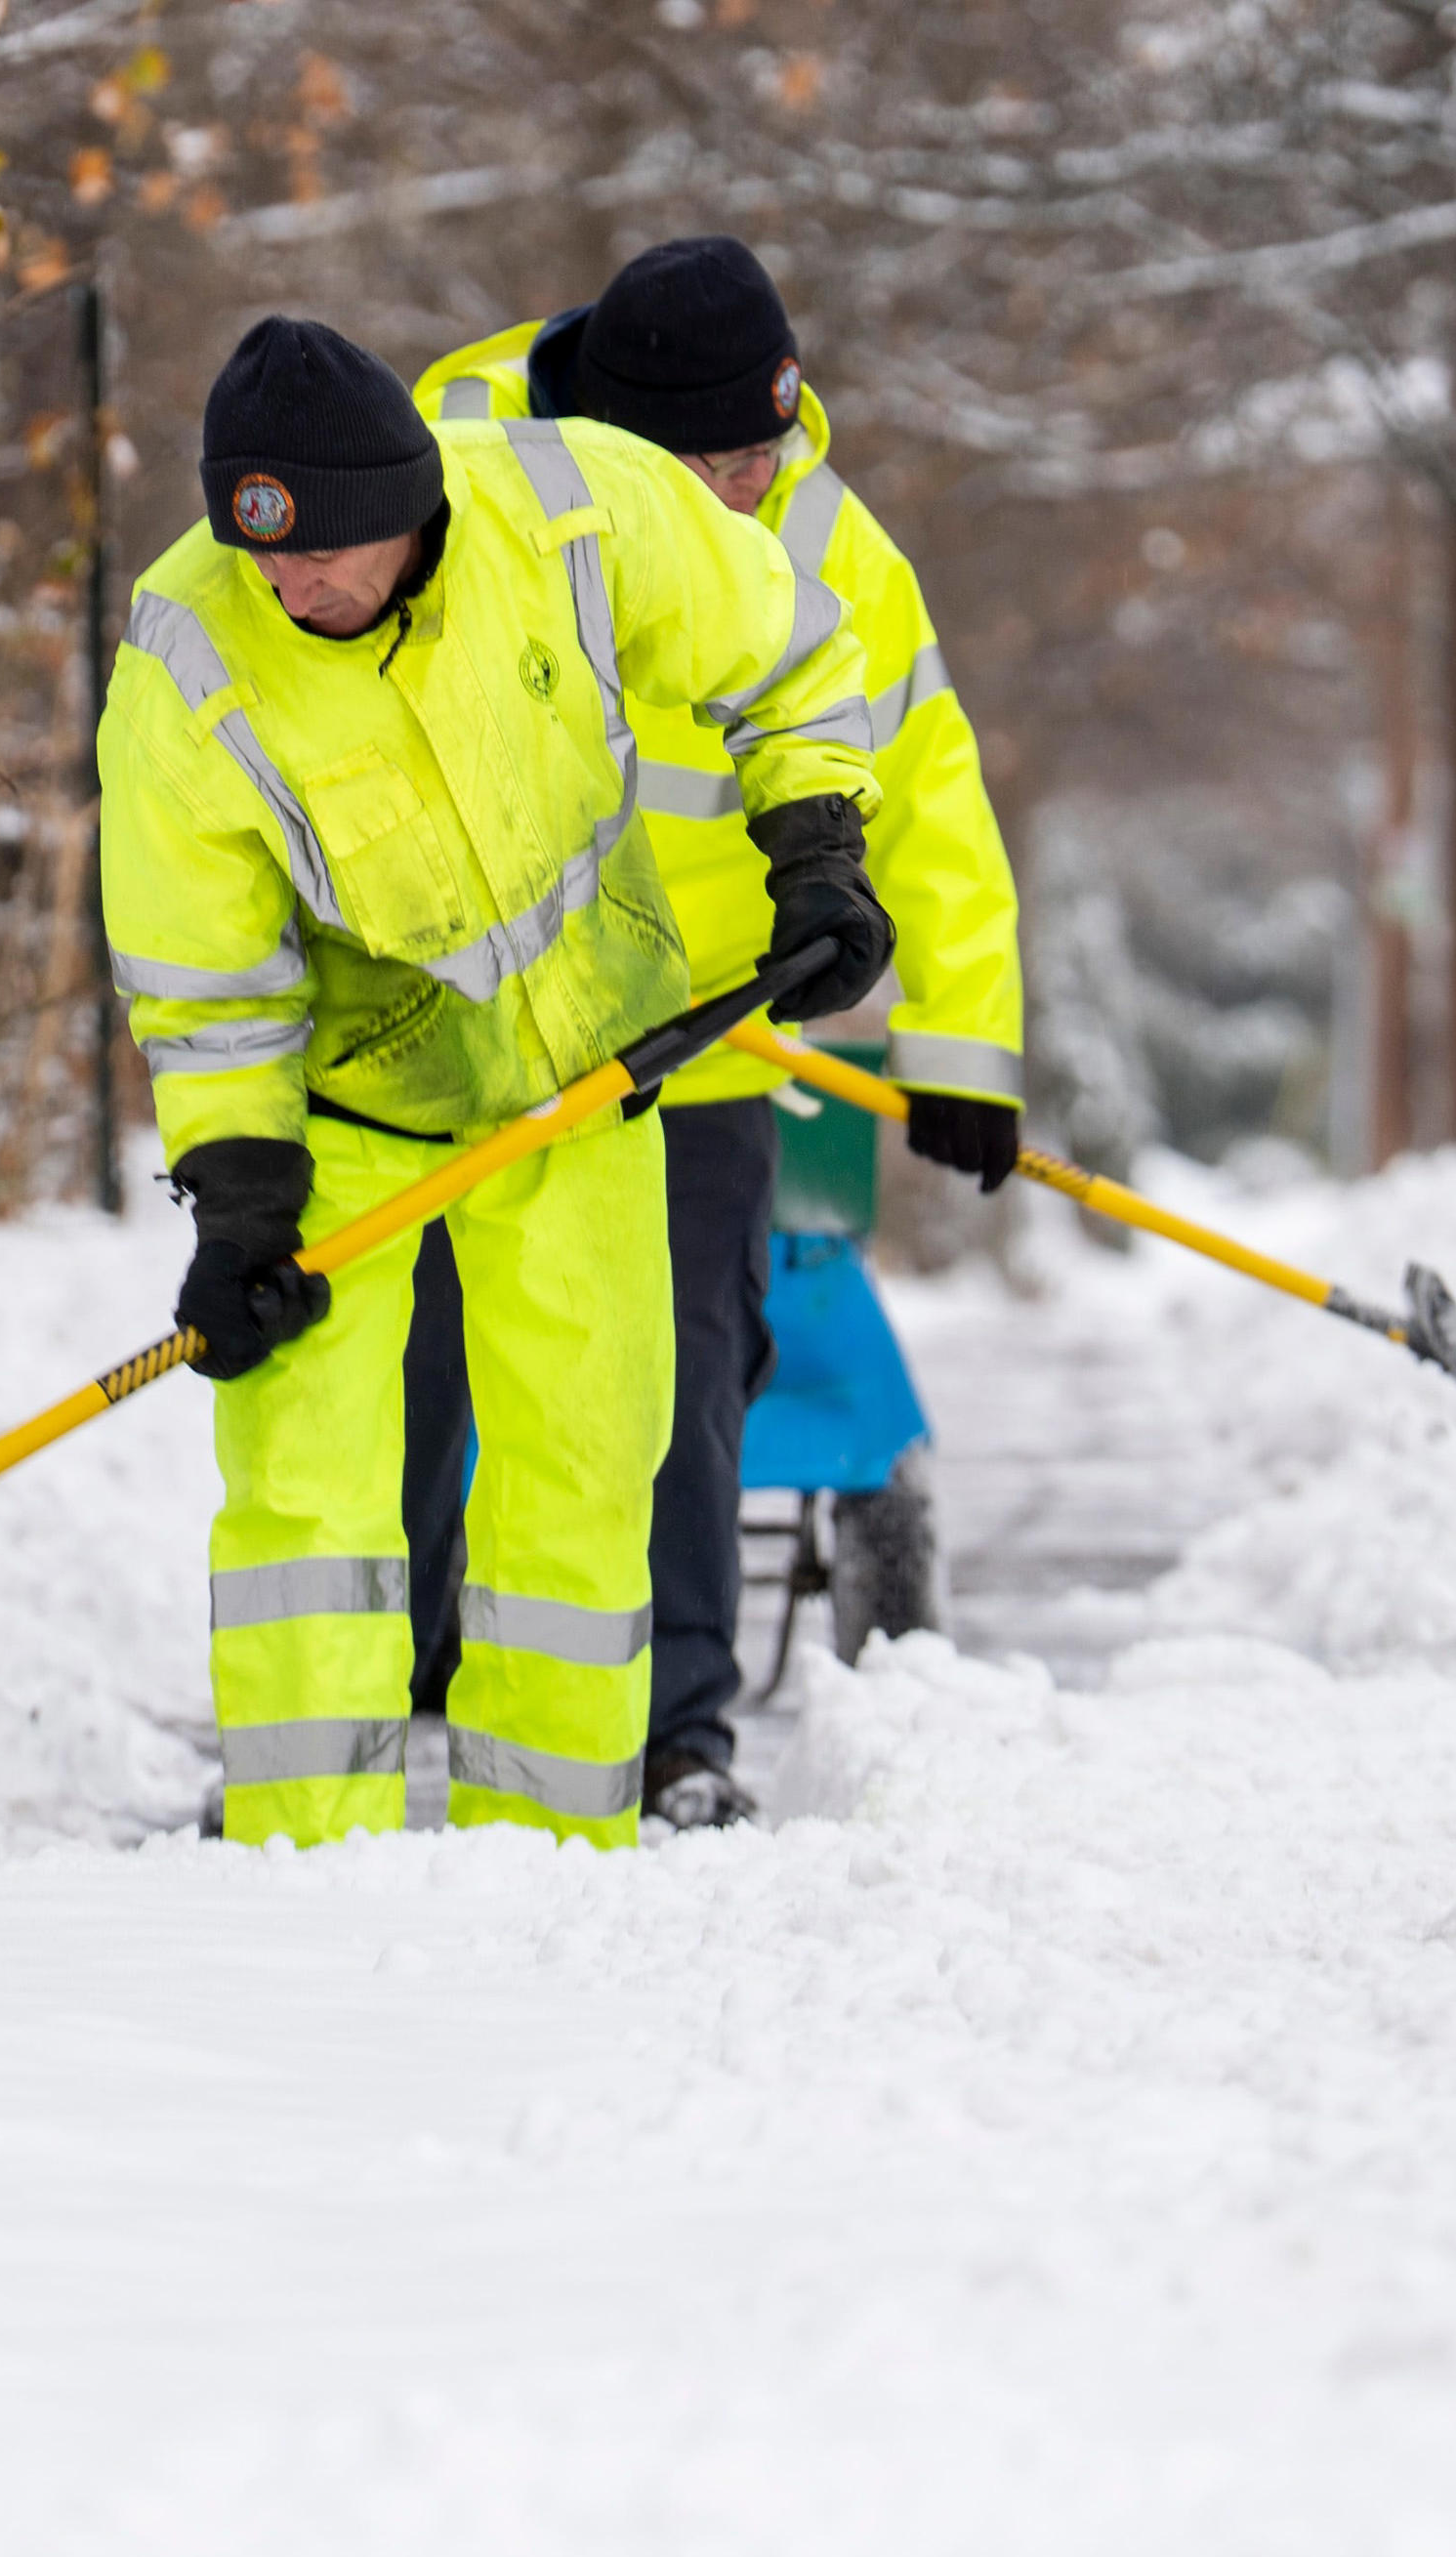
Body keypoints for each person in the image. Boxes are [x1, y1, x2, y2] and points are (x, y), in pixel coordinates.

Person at [103, 315, 891, 1849]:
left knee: (588, 1464)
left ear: (412, 502)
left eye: (325, 552)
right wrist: (242, 1194)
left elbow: (788, 642)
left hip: (585, 1074)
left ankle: (550, 1843)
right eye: (263, 555)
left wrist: (816, 842)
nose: (292, 585)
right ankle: (298, 1850)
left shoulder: (576, 508)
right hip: (346, 1111)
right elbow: (202, 970)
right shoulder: (190, 652)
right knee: (306, 1493)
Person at [409, 238, 1027, 1830]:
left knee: (681, 1369)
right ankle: (403, 1681)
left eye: (779, 436)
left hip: (697, 1021)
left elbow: (934, 787)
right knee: (419, 1351)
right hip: (457, 1005)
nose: (764, 479)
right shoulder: (453, 450)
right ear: (625, 436)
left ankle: (684, 1727)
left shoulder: (831, 542)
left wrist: (965, 1045)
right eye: (727, 460)